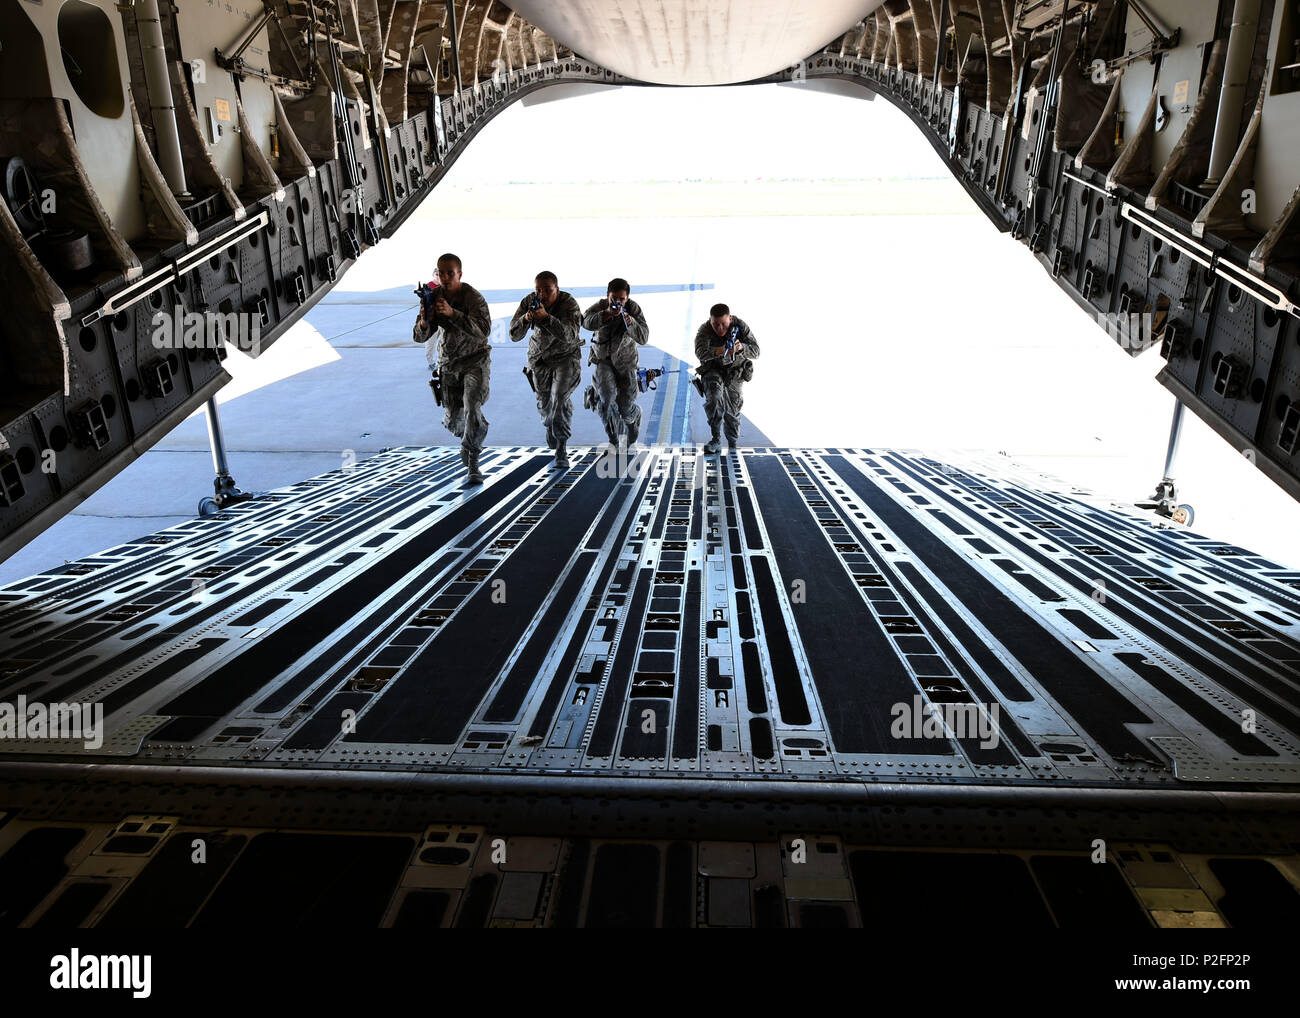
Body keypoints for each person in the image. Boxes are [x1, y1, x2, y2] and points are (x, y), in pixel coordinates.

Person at [413, 253, 492, 484]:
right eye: (441, 273)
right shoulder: (432, 296)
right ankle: (469, 436)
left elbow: (483, 331)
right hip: (448, 363)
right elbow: (419, 336)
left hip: (475, 360)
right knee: (454, 419)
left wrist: (452, 313)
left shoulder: (473, 298)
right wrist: (425, 322)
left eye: (450, 273)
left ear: (460, 274)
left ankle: (474, 462)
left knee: (472, 407)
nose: (445, 278)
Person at [509, 270, 583, 469]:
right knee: (546, 406)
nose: (542, 294)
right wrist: (525, 319)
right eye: (538, 290)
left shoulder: (569, 303)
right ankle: (550, 423)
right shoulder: (529, 301)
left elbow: (570, 335)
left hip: (565, 357)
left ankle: (561, 448)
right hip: (539, 359)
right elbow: (513, 335)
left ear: (557, 289)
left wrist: (547, 318)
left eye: (547, 290)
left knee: (559, 399)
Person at [581, 278, 649, 449]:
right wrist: (605, 315)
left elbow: (644, 337)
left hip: (626, 362)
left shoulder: (633, 309)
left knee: (625, 407)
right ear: (607, 295)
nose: (617, 302)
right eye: (614, 298)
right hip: (603, 360)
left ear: (627, 298)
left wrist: (629, 321)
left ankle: (635, 417)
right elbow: (585, 322)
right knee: (606, 401)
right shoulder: (600, 306)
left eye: (622, 299)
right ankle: (613, 440)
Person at [694, 303, 759, 453]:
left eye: (723, 324)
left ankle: (732, 443)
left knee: (733, 411)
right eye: (715, 324)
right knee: (714, 399)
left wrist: (741, 347)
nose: (720, 328)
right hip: (713, 370)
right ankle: (716, 439)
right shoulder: (705, 330)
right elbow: (700, 352)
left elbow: (756, 351)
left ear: (730, 318)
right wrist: (720, 350)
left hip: (735, 373)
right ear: (710, 321)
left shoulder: (740, 327)